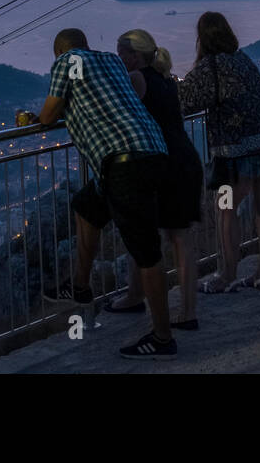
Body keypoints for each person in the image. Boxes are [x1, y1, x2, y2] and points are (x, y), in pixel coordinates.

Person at [30, 28, 176, 359]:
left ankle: (164, 338)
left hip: (126, 164)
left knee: (146, 252)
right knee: (87, 206)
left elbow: (49, 114)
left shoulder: (66, 61)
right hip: (152, 151)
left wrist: (38, 118)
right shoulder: (110, 61)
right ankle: (80, 286)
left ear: (60, 52)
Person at [178, 12, 260, 293]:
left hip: (238, 150)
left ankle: (227, 274)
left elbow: (185, 102)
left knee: (225, 208)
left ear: (201, 38)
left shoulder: (209, 68)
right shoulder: (242, 59)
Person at [106, 30, 203, 330]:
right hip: (184, 159)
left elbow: (120, 114)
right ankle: (185, 311)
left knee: (148, 233)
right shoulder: (167, 79)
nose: (118, 59)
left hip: (162, 162)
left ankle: (142, 298)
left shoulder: (137, 79)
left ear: (133, 55)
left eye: (120, 53)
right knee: (178, 237)